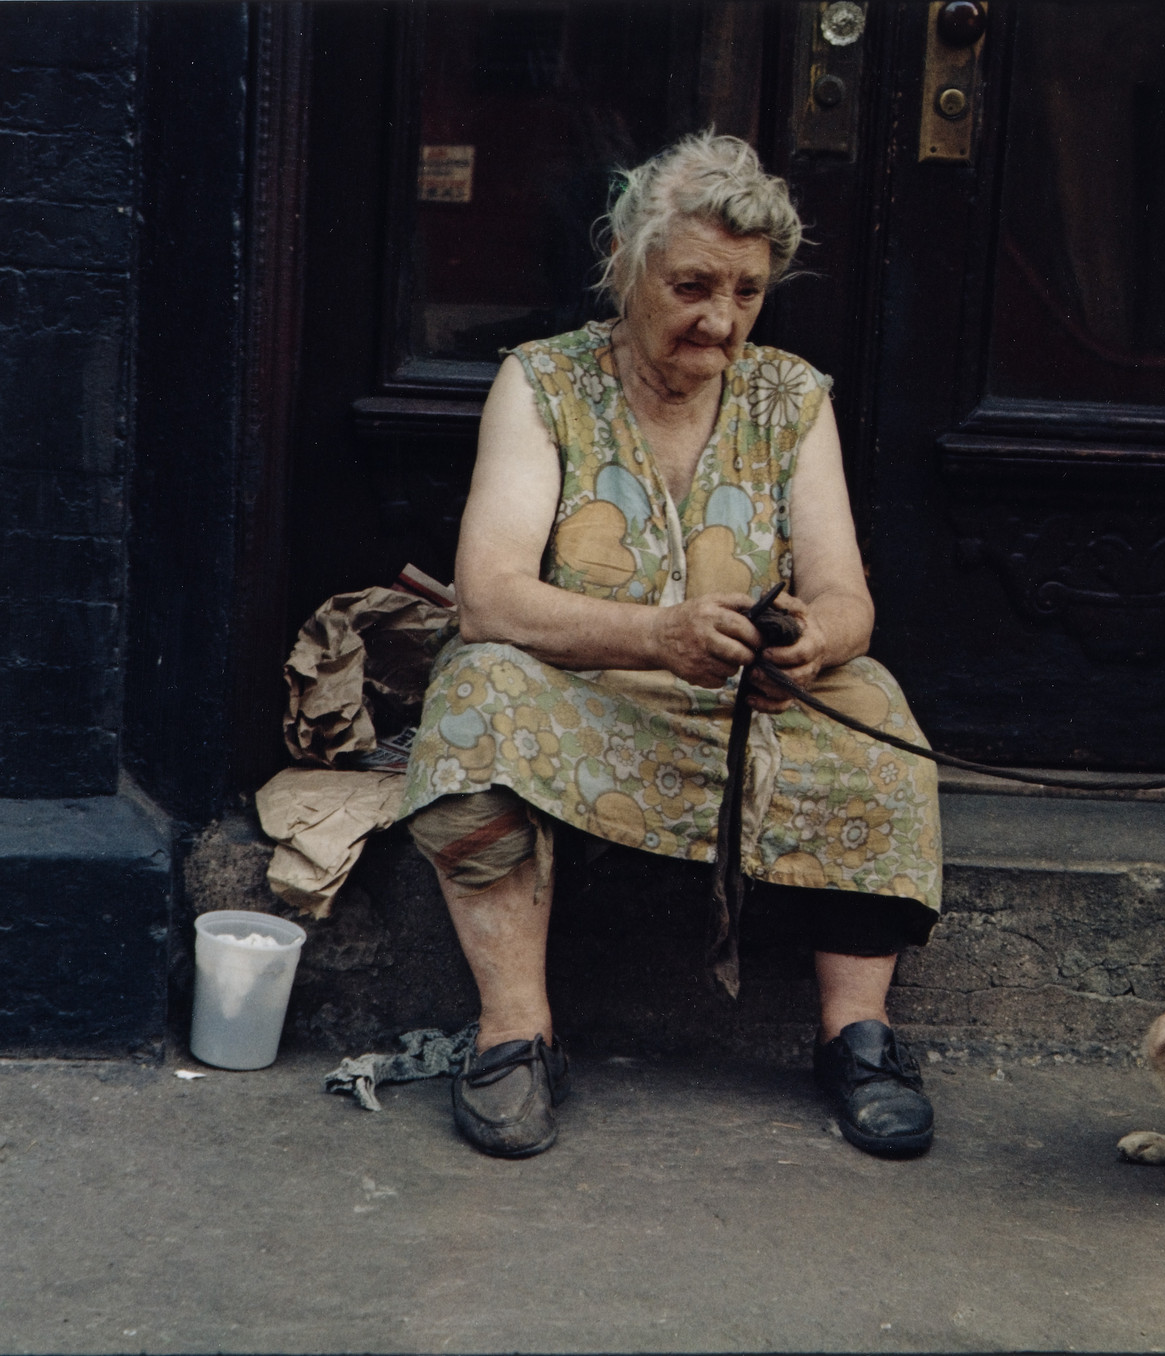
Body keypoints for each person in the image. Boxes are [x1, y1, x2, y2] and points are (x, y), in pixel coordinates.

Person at [400, 132, 943, 1160]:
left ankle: (857, 1038)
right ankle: (514, 1034)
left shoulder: (791, 398)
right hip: (589, 700)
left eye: (745, 290)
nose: (719, 318)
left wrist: (808, 646)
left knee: (878, 715)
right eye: (691, 284)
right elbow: (487, 596)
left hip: (746, 716)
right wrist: (654, 631)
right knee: (474, 702)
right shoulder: (542, 383)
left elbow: (845, 597)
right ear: (624, 264)